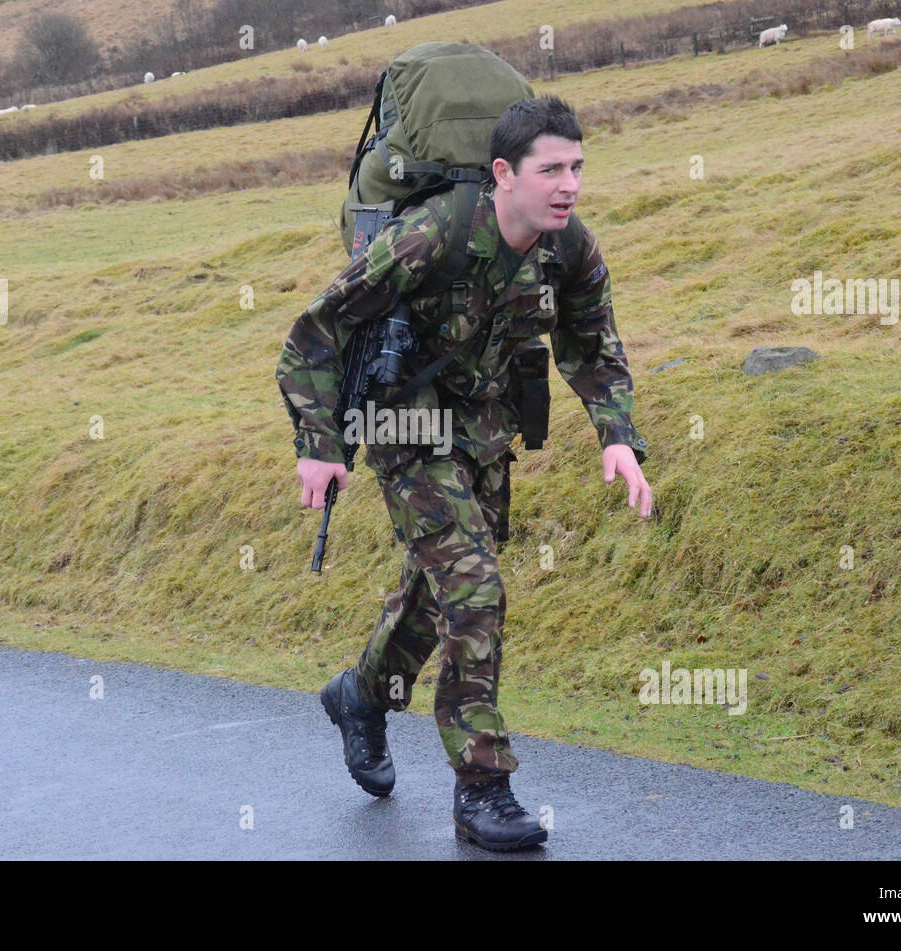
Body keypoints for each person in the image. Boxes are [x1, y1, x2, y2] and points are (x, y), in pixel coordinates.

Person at [275, 96, 653, 851]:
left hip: (481, 433)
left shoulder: (567, 247)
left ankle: (360, 694)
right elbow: (318, 328)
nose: (569, 184)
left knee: (437, 590)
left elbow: (593, 342)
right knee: (476, 587)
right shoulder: (434, 234)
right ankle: (484, 789)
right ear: (505, 173)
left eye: (578, 167)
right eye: (552, 169)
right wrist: (318, 444)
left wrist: (616, 437)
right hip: (403, 427)